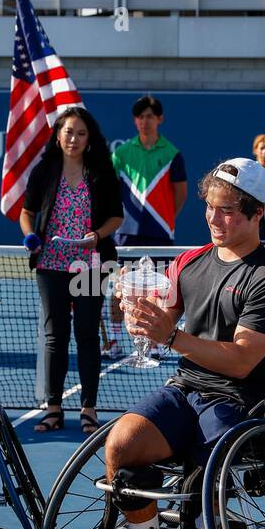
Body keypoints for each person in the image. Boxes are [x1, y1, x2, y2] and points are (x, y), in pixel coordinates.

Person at [100, 157, 265, 529]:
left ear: (257, 212)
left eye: (227, 209)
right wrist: (137, 308)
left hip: (244, 399)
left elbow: (243, 360)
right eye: (210, 206)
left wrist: (172, 338)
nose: (213, 217)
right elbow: (161, 319)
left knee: (204, 462)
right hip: (187, 387)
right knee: (120, 445)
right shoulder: (190, 261)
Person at [19, 106, 123, 436]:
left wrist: (98, 236)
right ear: (58, 135)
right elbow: (27, 212)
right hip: (50, 265)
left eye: (80, 133)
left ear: (89, 138)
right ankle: (53, 409)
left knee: (88, 335)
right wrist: (30, 235)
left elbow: (116, 217)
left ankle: (88, 409)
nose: (73, 138)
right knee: (55, 336)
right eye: (68, 132)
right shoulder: (43, 171)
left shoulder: (102, 173)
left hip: (89, 265)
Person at [105, 95, 187, 359]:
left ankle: (154, 341)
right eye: (141, 116)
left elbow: (180, 195)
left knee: (158, 292)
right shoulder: (121, 153)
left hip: (160, 233)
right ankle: (115, 340)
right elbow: (109, 192)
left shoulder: (172, 153)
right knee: (120, 289)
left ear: (159, 119)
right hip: (126, 234)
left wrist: (162, 219)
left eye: (150, 116)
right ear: (135, 120)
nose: (145, 121)